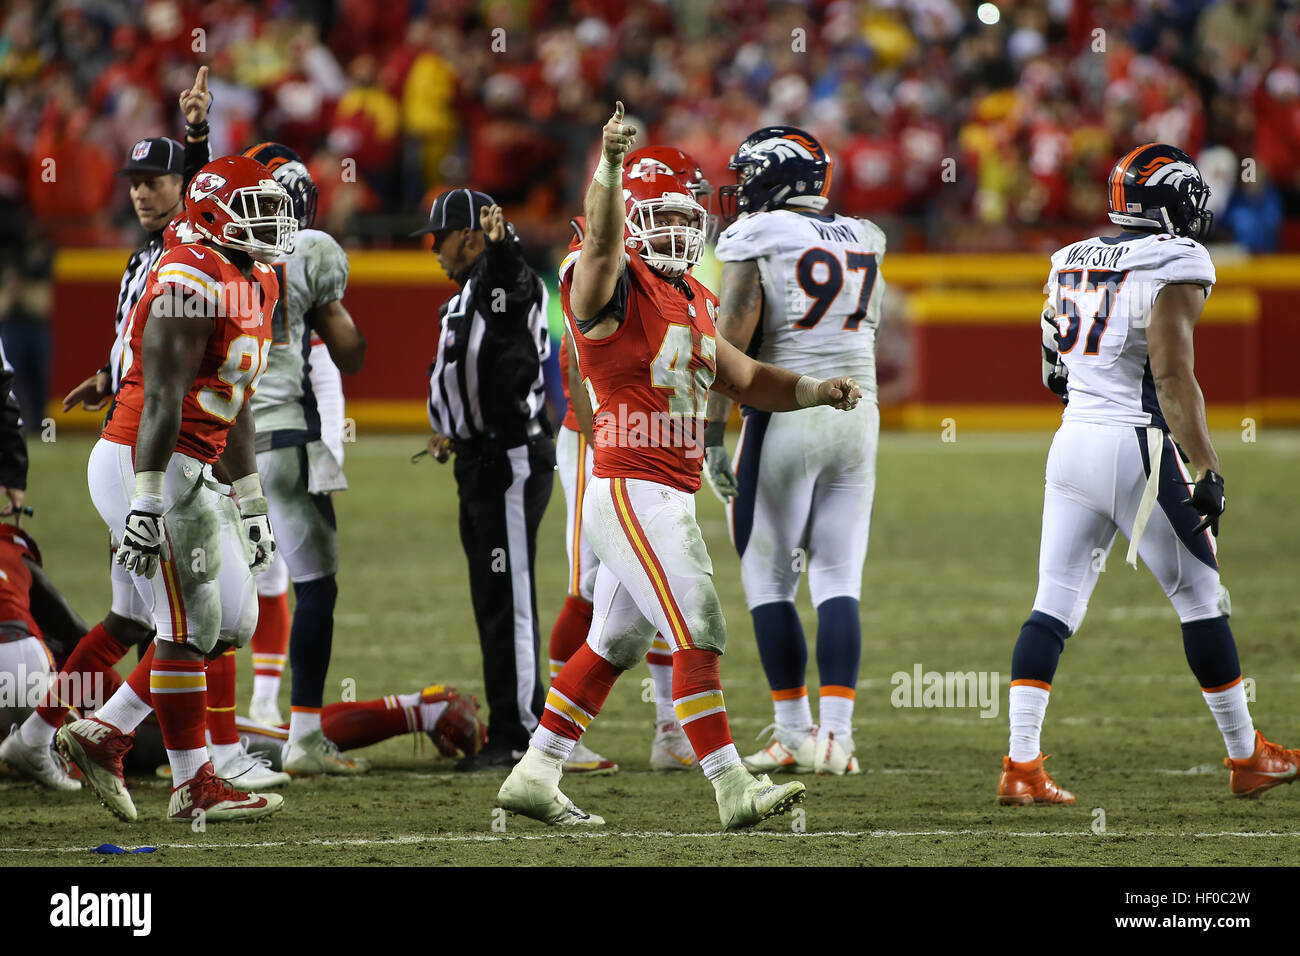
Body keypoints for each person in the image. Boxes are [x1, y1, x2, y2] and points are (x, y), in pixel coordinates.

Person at [495, 102, 861, 829]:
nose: (675, 230)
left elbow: (745, 378)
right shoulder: (607, 278)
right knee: (700, 625)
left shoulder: (692, 295)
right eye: (657, 217)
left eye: (684, 218)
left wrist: (816, 388)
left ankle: (535, 772)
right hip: (631, 483)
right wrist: (608, 165)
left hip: (669, 485)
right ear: (629, 217)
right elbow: (600, 238)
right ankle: (732, 788)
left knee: (617, 641)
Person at [999, 143, 1300, 805]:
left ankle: (1021, 767)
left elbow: (1053, 367)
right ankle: (1247, 756)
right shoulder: (1177, 257)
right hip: (1135, 445)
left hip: (1072, 441)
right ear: (1167, 205)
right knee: (1200, 598)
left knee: (1052, 605)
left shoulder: (1068, 257)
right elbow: (1170, 376)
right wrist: (1207, 466)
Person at [9, 68, 279, 790]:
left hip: (174, 445)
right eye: (135, 182)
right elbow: (158, 352)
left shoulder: (223, 259)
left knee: (147, 622)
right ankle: (184, 772)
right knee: (180, 625)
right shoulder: (172, 261)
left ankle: (52, 734)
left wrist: (197, 135)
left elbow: (210, 208)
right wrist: (116, 377)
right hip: (148, 452)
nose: (142, 192)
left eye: (158, 182)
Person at [56, 155, 296, 824]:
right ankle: (195, 783)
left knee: (230, 622)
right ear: (216, 214)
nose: (273, 222)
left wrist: (249, 500)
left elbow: (235, 399)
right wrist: (146, 499)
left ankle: (105, 732)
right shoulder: (188, 276)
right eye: (255, 209)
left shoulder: (260, 278)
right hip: (145, 460)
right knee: (185, 625)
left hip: (196, 466)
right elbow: (162, 398)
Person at [704, 127, 885, 776]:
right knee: (839, 577)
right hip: (858, 417)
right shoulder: (864, 235)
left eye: (749, 176)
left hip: (787, 415)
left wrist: (710, 431)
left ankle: (791, 729)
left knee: (768, 579)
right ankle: (836, 740)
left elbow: (734, 335)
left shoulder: (760, 237)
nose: (741, 191)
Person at [549, 145, 714, 774]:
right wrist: (604, 447)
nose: (686, 218)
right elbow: (577, 359)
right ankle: (553, 736)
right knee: (593, 587)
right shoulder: (601, 263)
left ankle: (669, 731)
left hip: (653, 446)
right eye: (675, 201)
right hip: (603, 440)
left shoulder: (682, 278)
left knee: (648, 595)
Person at [238, 142, 368, 775]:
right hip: (284, 434)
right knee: (316, 586)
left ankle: (196, 744)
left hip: (213, 441)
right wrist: (316, 306)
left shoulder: (205, 252)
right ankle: (305, 737)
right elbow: (350, 352)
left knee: (211, 597)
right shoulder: (310, 251)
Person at [417, 188, 554, 771]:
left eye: (439, 237)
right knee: (493, 599)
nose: (432, 249)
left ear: (471, 236)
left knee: (510, 599)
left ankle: (521, 732)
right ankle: (514, 720)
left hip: (509, 461)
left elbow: (513, 289)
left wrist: (504, 247)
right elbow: (468, 368)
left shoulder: (499, 280)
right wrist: (449, 426)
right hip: (478, 461)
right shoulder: (467, 294)